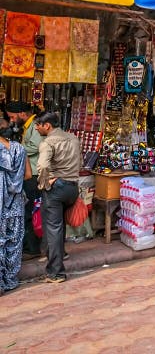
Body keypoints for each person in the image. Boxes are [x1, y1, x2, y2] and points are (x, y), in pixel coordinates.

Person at [34, 112, 81, 283]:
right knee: (58, 226)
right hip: (72, 187)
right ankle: (58, 256)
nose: (36, 128)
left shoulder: (48, 142)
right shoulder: (73, 138)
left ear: (47, 126)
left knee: (53, 228)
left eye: (38, 125)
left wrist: (45, 183)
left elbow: (43, 166)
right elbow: (79, 161)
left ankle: (56, 273)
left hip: (57, 187)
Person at [6, 102, 42, 261]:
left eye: (13, 117)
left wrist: (14, 148)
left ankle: (33, 248)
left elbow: (36, 146)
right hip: (29, 173)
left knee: (30, 211)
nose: (12, 120)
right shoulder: (27, 127)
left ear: (22, 113)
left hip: (33, 174)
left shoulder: (34, 126)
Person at [0, 123, 27, 294]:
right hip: (16, 202)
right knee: (14, 241)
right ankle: (10, 280)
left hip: (1, 202)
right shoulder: (20, 149)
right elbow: (29, 175)